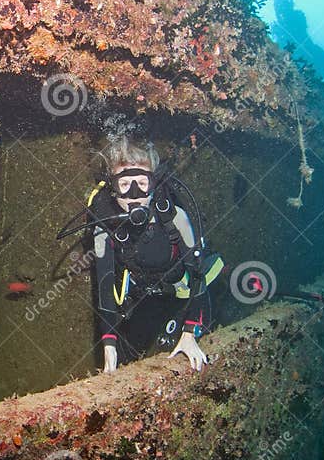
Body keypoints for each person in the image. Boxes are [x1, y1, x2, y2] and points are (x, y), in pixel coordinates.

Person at [81, 135, 223, 373]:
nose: (134, 193)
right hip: (144, 301)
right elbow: (105, 288)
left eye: (142, 183)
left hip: (186, 296)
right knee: (129, 356)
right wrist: (109, 347)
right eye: (124, 185)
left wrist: (189, 332)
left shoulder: (174, 217)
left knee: (182, 355)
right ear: (113, 188)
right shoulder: (105, 229)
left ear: (153, 183)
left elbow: (198, 275)